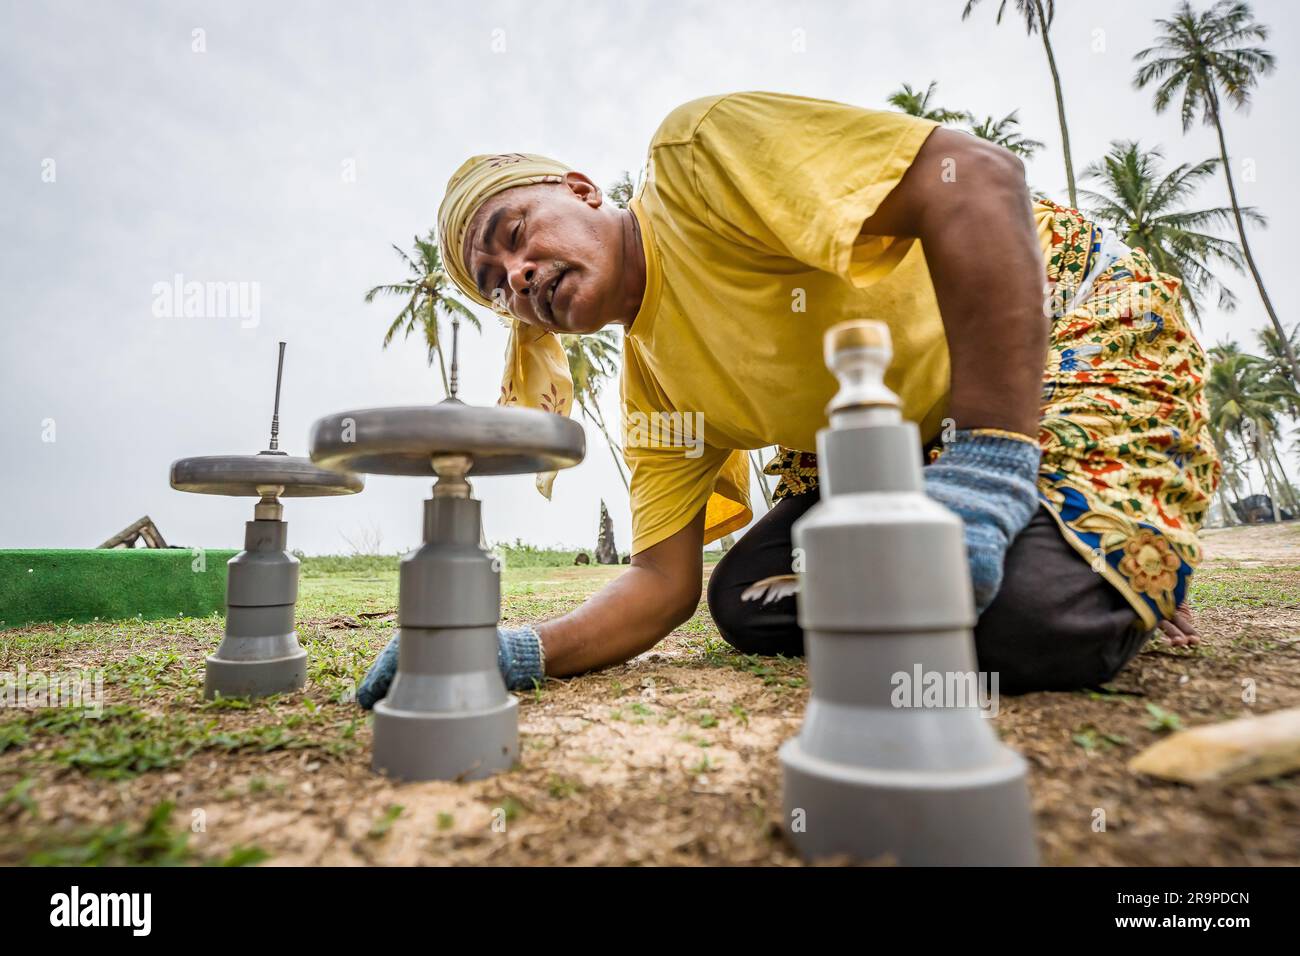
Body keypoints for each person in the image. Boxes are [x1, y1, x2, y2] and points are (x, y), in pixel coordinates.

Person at [358, 91, 1218, 706]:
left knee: (1029, 621)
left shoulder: (697, 159)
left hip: (1059, 345)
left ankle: (1082, 547)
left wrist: (990, 467)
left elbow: (976, 174)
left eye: (515, 235)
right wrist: (509, 650)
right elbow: (662, 584)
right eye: (495, 285)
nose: (517, 277)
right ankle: (999, 555)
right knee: (744, 598)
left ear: (581, 190)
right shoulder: (652, 382)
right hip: (887, 446)